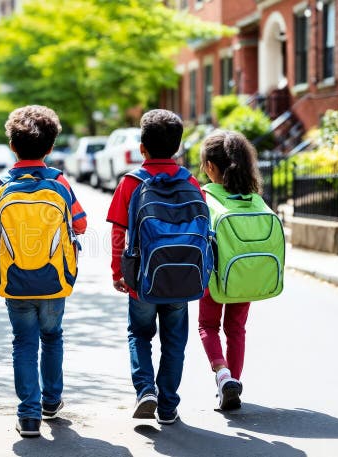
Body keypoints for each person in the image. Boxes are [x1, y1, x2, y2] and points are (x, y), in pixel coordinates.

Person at [0, 105, 87, 438]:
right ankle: (51, 402)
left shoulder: (1, 183)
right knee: (52, 336)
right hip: (55, 278)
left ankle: (28, 415)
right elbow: (80, 225)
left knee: (23, 342)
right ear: (51, 147)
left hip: (15, 280)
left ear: (12, 145)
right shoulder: (59, 182)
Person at [106, 109, 201, 425]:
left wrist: (118, 271)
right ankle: (168, 405)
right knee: (175, 341)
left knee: (140, 334)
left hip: (142, 278)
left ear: (142, 148)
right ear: (177, 147)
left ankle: (145, 390)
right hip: (183, 277)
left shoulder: (132, 182)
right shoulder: (190, 181)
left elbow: (118, 231)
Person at [197, 130, 263, 411]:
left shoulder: (206, 195)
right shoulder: (254, 198)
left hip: (214, 275)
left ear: (210, 167)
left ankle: (223, 376)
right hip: (245, 273)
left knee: (207, 326)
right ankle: (234, 381)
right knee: (236, 328)